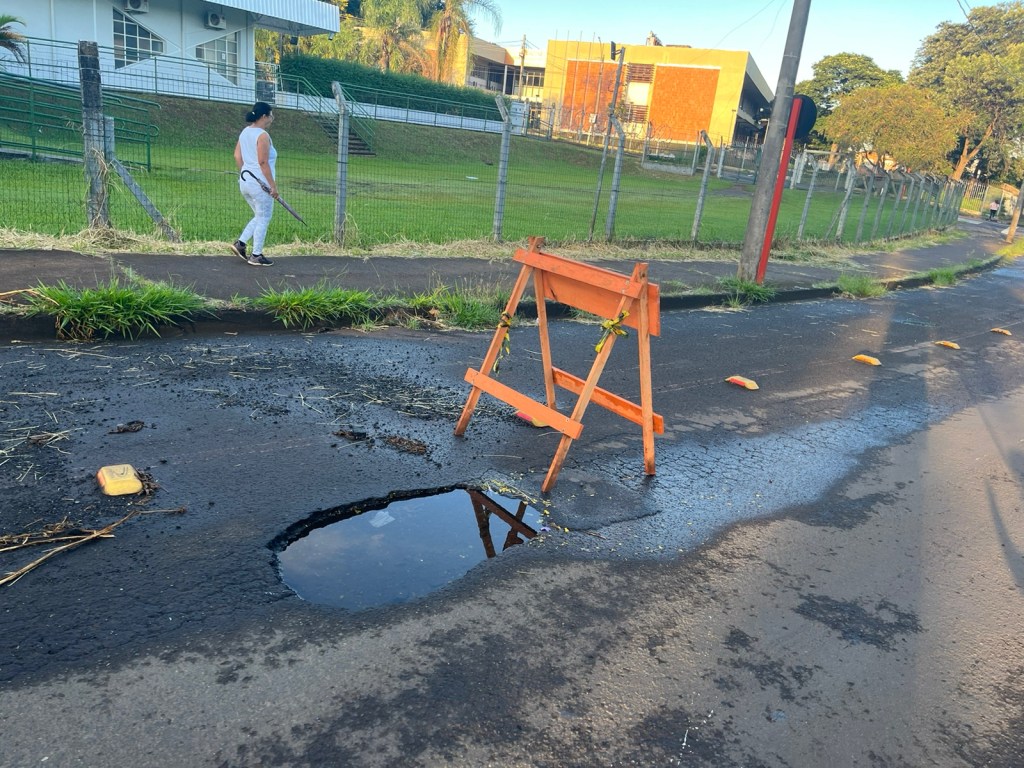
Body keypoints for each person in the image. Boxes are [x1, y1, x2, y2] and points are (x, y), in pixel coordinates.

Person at [231, 102, 278, 267]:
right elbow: (263, 161)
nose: (272, 118)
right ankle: (256, 255)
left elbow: (237, 156)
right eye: (271, 115)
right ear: (264, 116)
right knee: (264, 217)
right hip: (260, 184)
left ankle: (241, 244)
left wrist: (245, 173)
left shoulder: (245, 132)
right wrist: (273, 186)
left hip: (245, 181)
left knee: (259, 216)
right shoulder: (262, 135)